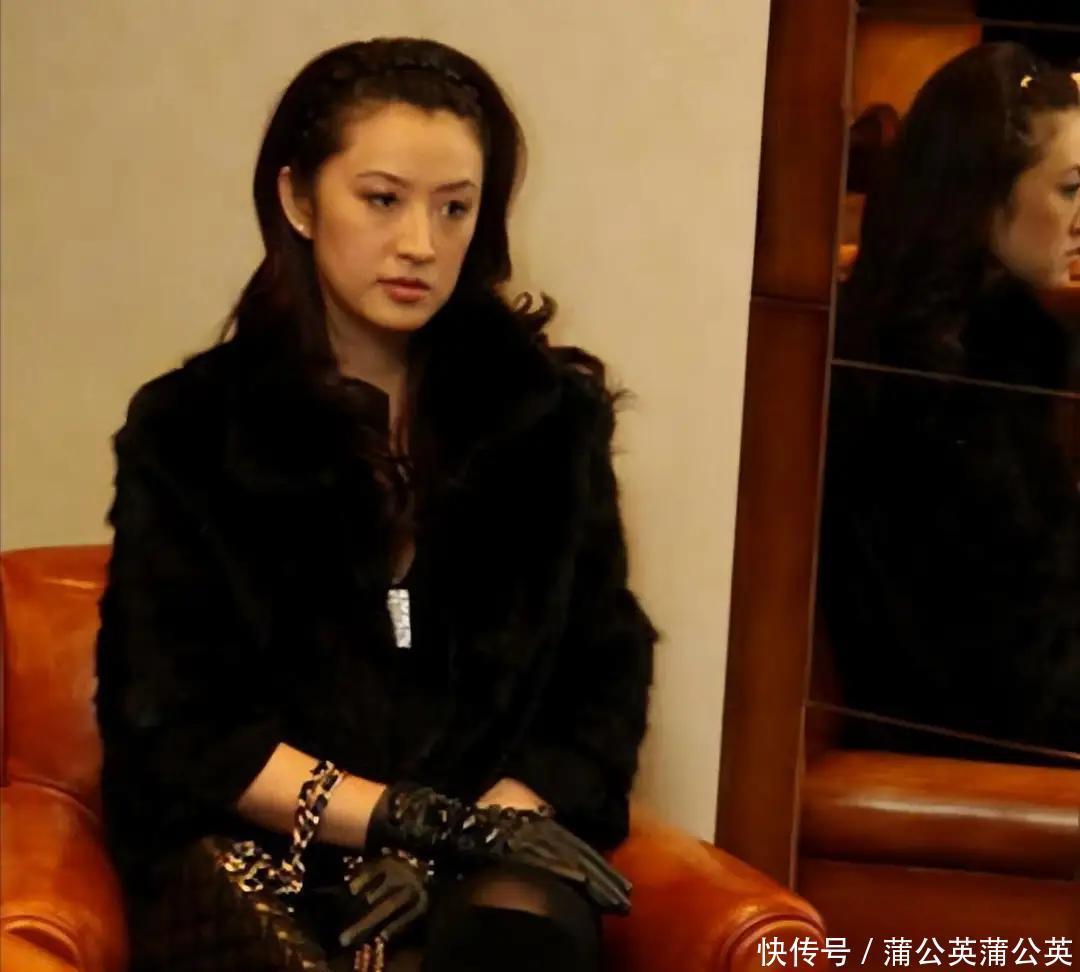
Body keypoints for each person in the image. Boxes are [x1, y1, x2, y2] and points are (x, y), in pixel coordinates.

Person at [93, 37, 657, 972]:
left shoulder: (548, 421)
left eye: (454, 208)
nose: (421, 245)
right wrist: (401, 819)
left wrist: (464, 841)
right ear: (298, 199)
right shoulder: (191, 429)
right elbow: (178, 725)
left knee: (515, 921)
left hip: (486, 864)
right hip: (272, 855)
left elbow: (601, 685)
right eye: (384, 199)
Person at [819, 43, 1080, 754]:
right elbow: (1006, 672)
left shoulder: (992, 346)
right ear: (985, 195)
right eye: (1069, 189)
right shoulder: (932, 389)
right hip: (974, 751)